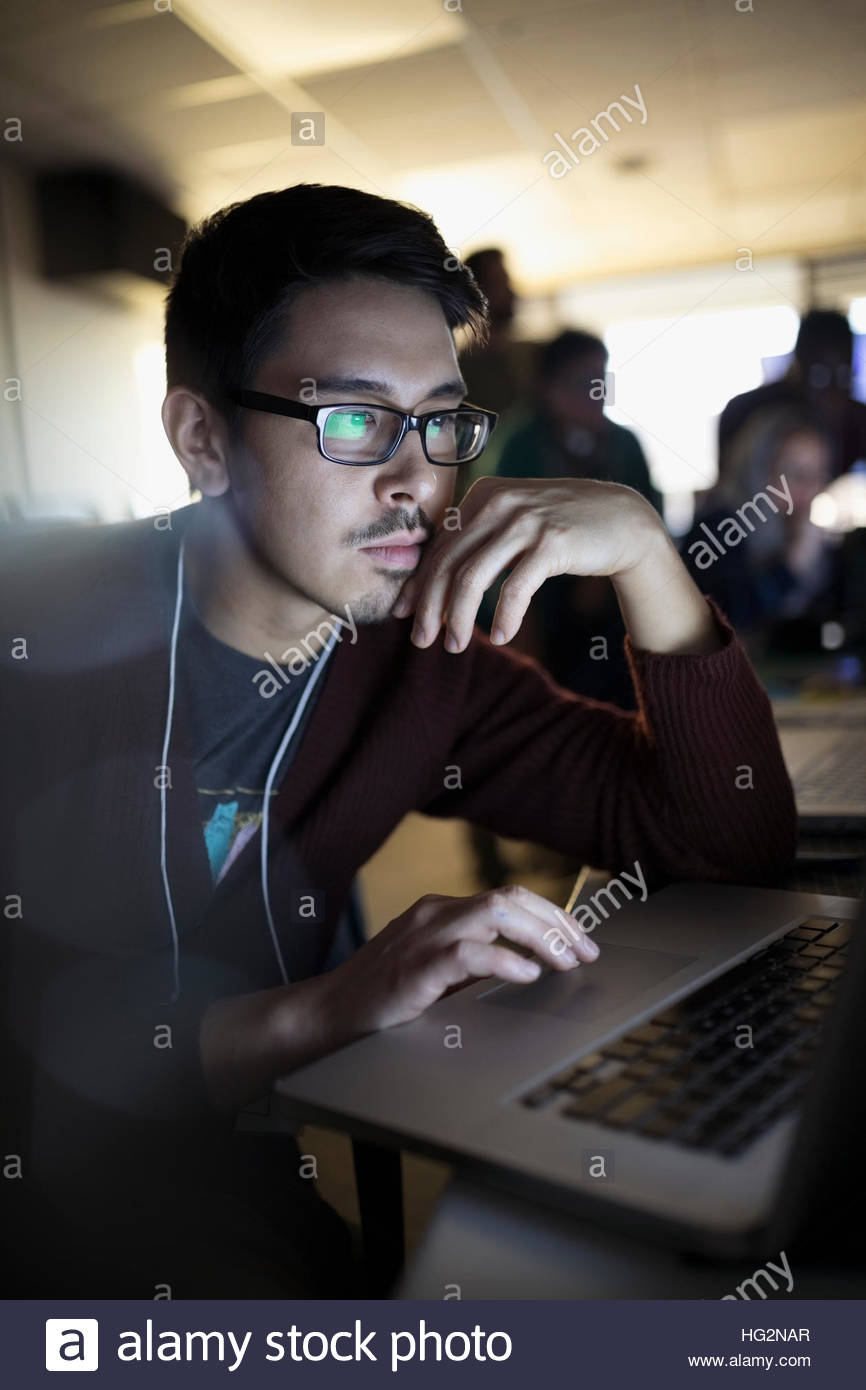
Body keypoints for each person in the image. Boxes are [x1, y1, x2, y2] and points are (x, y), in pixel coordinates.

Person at [0, 183, 796, 1300]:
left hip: (235, 1197)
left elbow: (728, 841)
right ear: (201, 437)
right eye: (355, 419)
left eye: (439, 420)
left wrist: (644, 558)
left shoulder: (422, 657)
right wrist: (323, 1010)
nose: (417, 479)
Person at [493, 329, 662, 703]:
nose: (598, 394)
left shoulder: (625, 447)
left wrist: (607, 572)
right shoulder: (519, 445)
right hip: (535, 598)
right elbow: (499, 537)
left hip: (616, 600)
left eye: (602, 381)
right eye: (585, 383)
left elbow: (652, 528)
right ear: (550, 390)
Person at [681, 407, 840, 644]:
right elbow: (727, 619)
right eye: (795, 474)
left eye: (817, 476)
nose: (809, 490)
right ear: (758, 472)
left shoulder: (807, 536)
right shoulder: (717, 528)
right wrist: (792, 566)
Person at [718, 308, 866, 485]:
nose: (833, 392)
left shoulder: (858, 420)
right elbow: (727, 493)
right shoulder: (747, 412)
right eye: (819, 377)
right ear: (798, 370)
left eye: (843, 376)